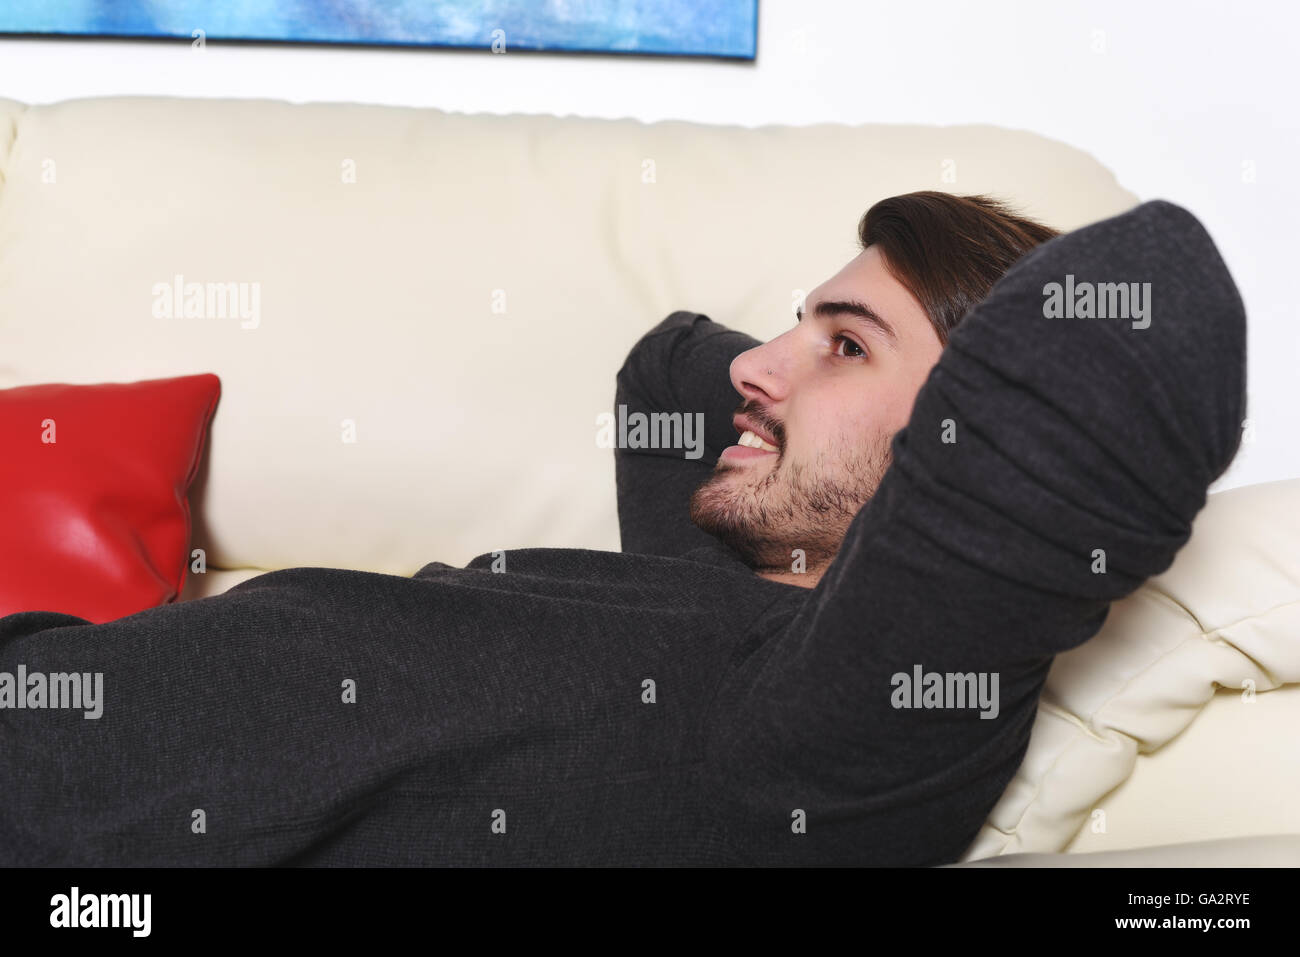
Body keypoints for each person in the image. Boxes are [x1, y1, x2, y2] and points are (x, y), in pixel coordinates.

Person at [0, 194, 1245, 866]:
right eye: (794, 323)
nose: (756, 365)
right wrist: (828, 385)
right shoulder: (708, 586)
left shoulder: (831, 725)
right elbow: (665, 366)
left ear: (969, 447)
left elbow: (1140, 313)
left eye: (844, 345)